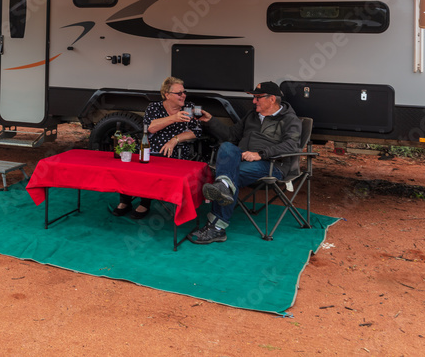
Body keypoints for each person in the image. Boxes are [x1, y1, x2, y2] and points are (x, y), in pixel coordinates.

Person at [187, 81, 302, 244]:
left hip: (271, 164)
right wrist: (211, 120)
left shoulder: (290, 119)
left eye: (257, 98)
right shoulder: (252, 115)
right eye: (253, 98)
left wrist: (260, 154)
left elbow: (292, 145)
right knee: (226, 147)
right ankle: (223, 188)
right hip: (243, 157)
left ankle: (217, 227)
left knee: (228, 175)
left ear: (272, 100)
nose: (253, 101)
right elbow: (230, 135)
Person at [112, 76, 202, 219]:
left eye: (184, 92)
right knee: (130, 164)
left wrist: (175, 139)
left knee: (149, 165)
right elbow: (150, 128)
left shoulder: (190, 107)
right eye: (179, 93)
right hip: (150, 146)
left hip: (176, 150)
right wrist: (173, 118)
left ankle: (145, 203)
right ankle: (125, 201)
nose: (183, 95)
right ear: (167, 95)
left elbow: (196, 132)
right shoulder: (154, 107)